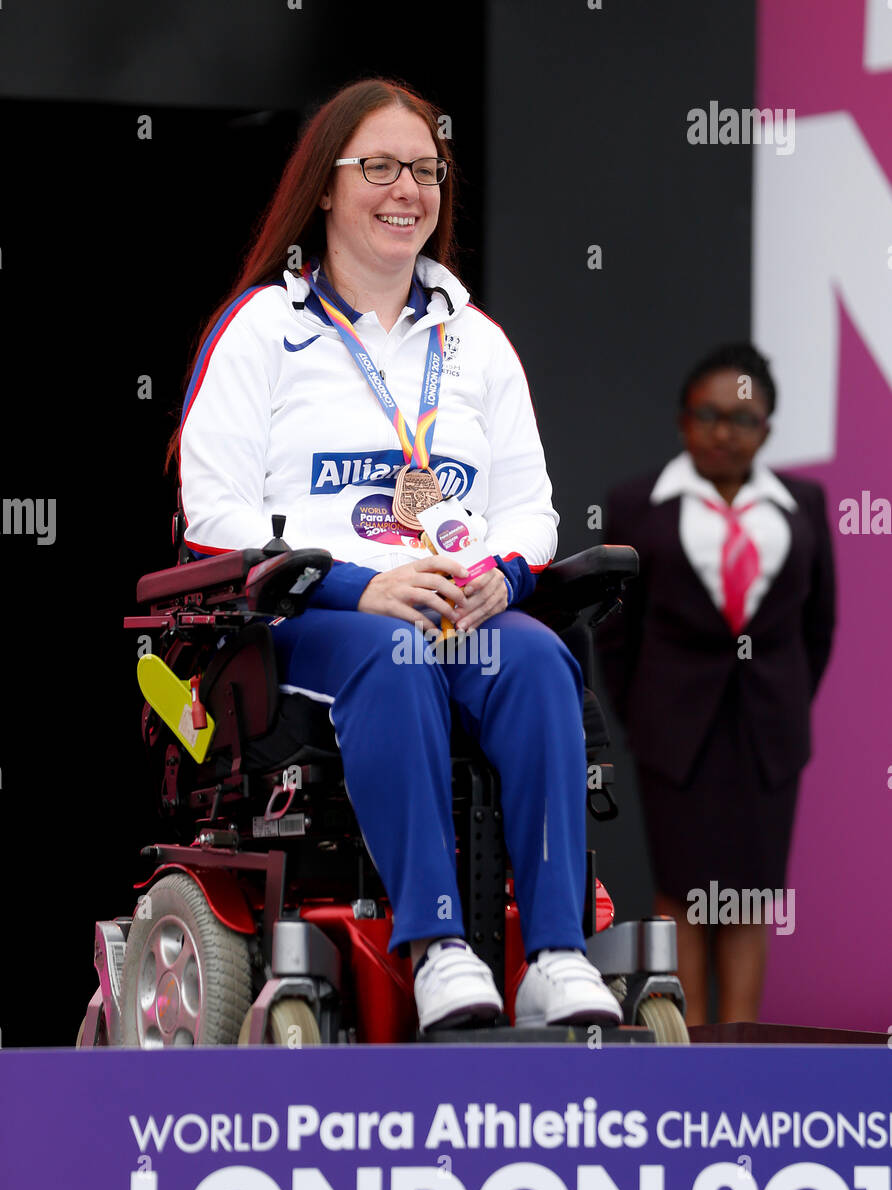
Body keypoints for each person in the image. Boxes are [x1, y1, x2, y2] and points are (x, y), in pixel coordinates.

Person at [167, 77, 622, 1033]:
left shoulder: (475, 343)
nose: (404, 188)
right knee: (395, 653)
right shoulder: (262, 331)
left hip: (466, 611)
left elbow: (530, 511)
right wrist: (361, 586)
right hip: (311, 621)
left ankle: (556, 954)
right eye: (377, 166)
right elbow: (213, 519)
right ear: (325, 188)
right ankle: (437, 944)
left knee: (540, 657)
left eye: (424, 169)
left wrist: (504, 577)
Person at [597, 344, 835, 1026]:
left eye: (744, 417)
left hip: (769, 740)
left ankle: (741, 1046)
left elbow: (819, 629)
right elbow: (617, 633)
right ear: (682, 421)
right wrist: (644, 718)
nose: (725, 430)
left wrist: (781, 704)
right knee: (683, 893)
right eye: (709, 414)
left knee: (750, 897)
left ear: (768, 428)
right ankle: (691, 1047)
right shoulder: (637, 505)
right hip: (675, 737)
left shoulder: (805, 506)